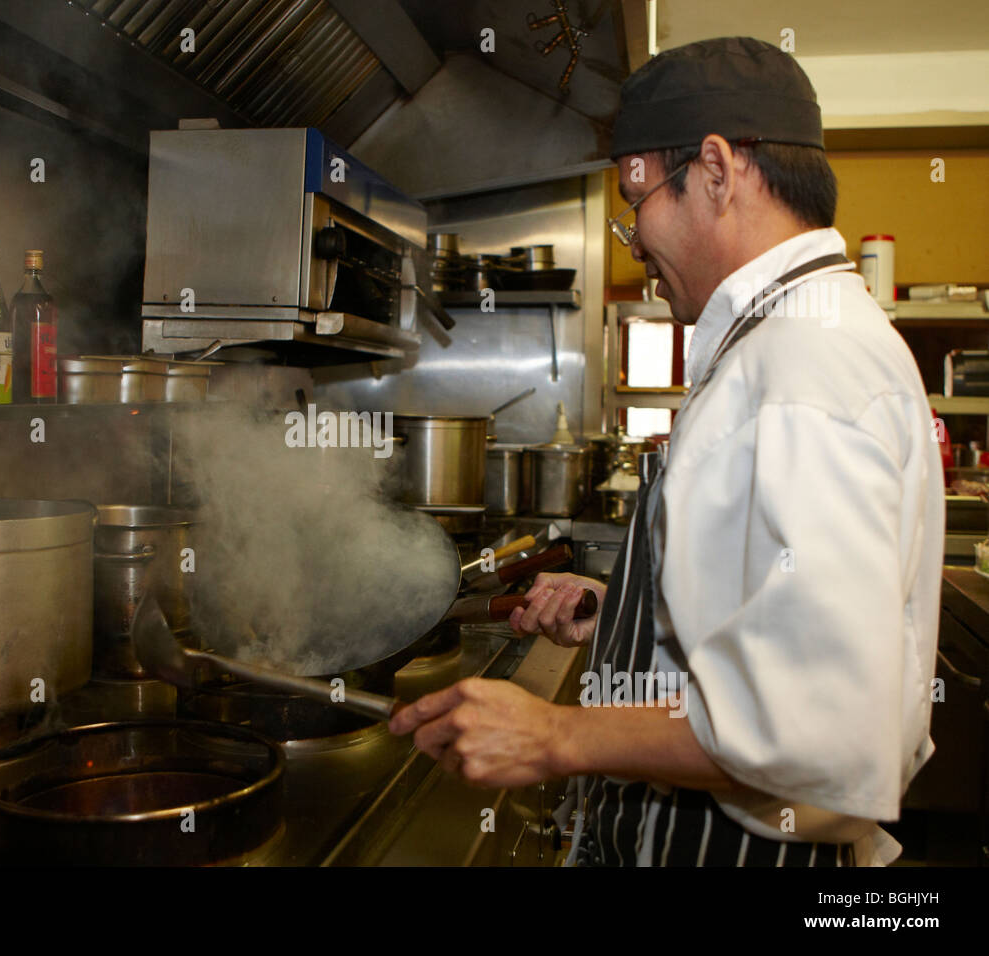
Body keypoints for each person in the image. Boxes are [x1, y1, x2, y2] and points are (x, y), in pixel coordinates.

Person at [389, 36, 943, 867]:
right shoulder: (787, 337)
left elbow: (823, 729)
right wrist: (628, 614)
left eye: (635, 201)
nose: (631, 241)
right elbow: (779, 606)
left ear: (717, 172)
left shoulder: (804, 362)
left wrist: (556, 736)